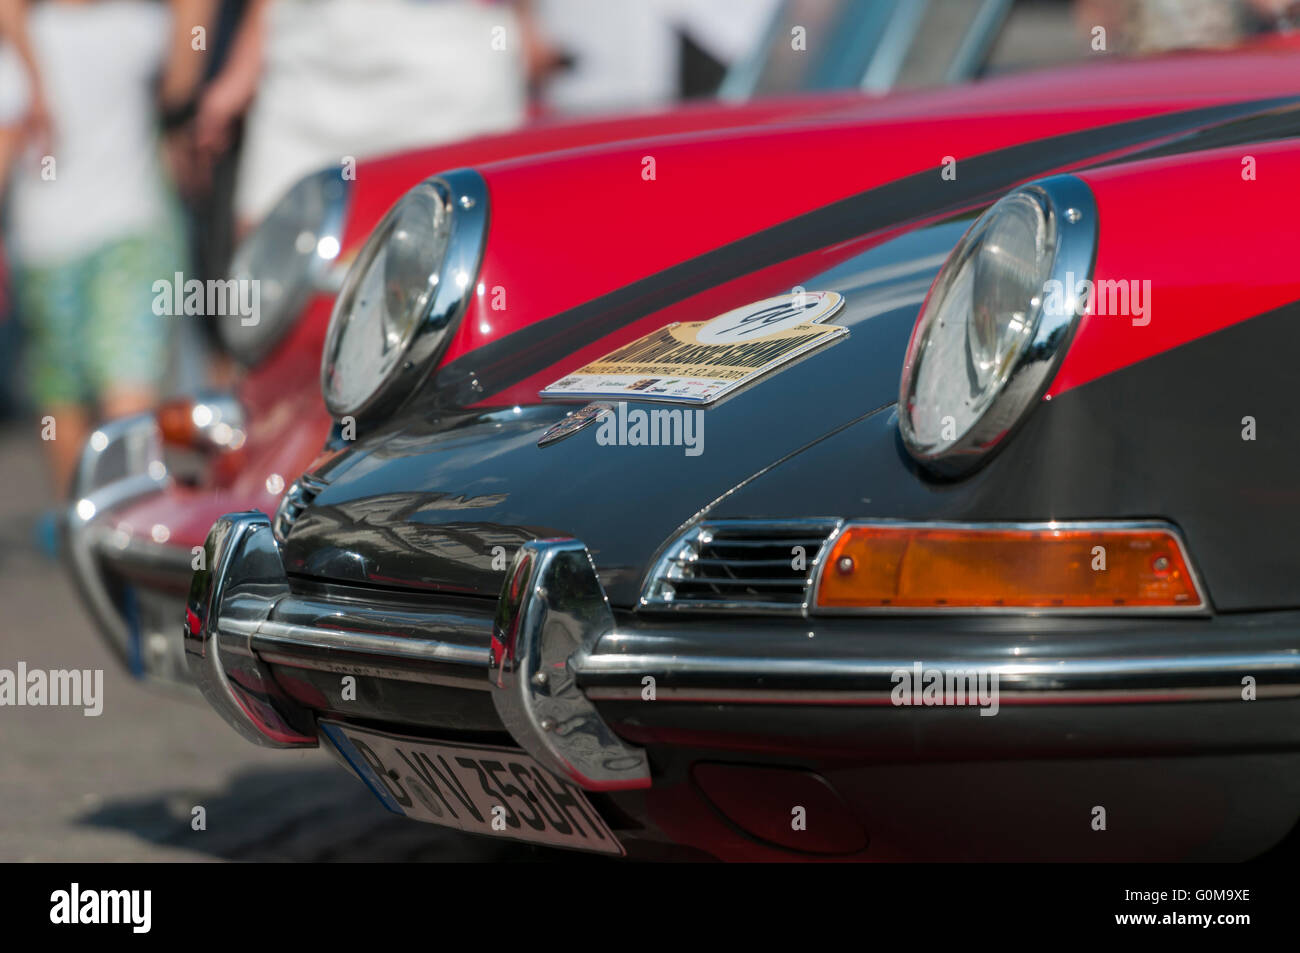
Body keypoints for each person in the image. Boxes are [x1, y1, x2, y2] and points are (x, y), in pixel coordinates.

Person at [0, 0, 210, 496]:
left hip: (108, 236)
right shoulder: (142, 26)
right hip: (71, 240)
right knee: (89, 390)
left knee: (86, 391)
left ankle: (99, 525)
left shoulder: (130, 27)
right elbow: (183, 87)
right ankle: (110, 522)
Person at [193, 0, 533, 232]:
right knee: (267, 288)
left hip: (446, 59)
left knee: (446, 263)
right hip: (307, 60)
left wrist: (526, 22)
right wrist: (245, 64)